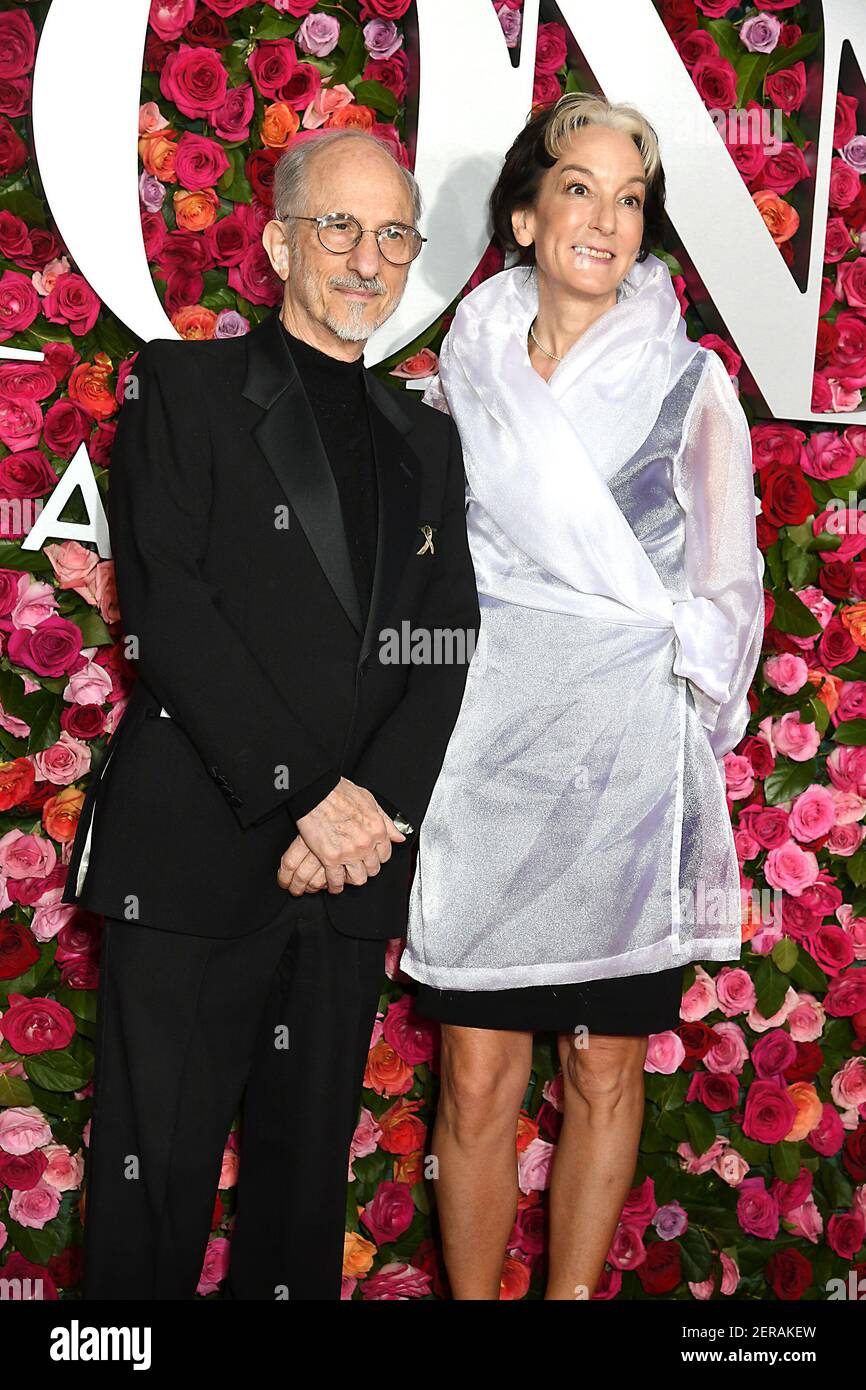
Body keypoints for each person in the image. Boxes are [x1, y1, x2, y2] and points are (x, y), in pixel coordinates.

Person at [61, 129, 480, 1300]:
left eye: (392, 232)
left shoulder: (427, 441)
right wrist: (313, 802)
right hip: (198, 860)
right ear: (278, 240)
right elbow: (171, 610)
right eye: (339, 226)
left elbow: (445, 642)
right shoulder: (182, 386)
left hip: (344, 885)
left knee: (300, 1212)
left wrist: (377, 810)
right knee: (150, 1203)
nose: (366, 256)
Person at [400, 92, 765, 1299]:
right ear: (521, 215)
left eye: (629, 197)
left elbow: (723, 588)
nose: (605, 217)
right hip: (485, 763)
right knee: (474, 1076)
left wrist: (681, 724)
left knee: (605, 1069)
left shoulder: (688, 383)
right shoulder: (457, 383)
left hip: (620, 770)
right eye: (578, 187)